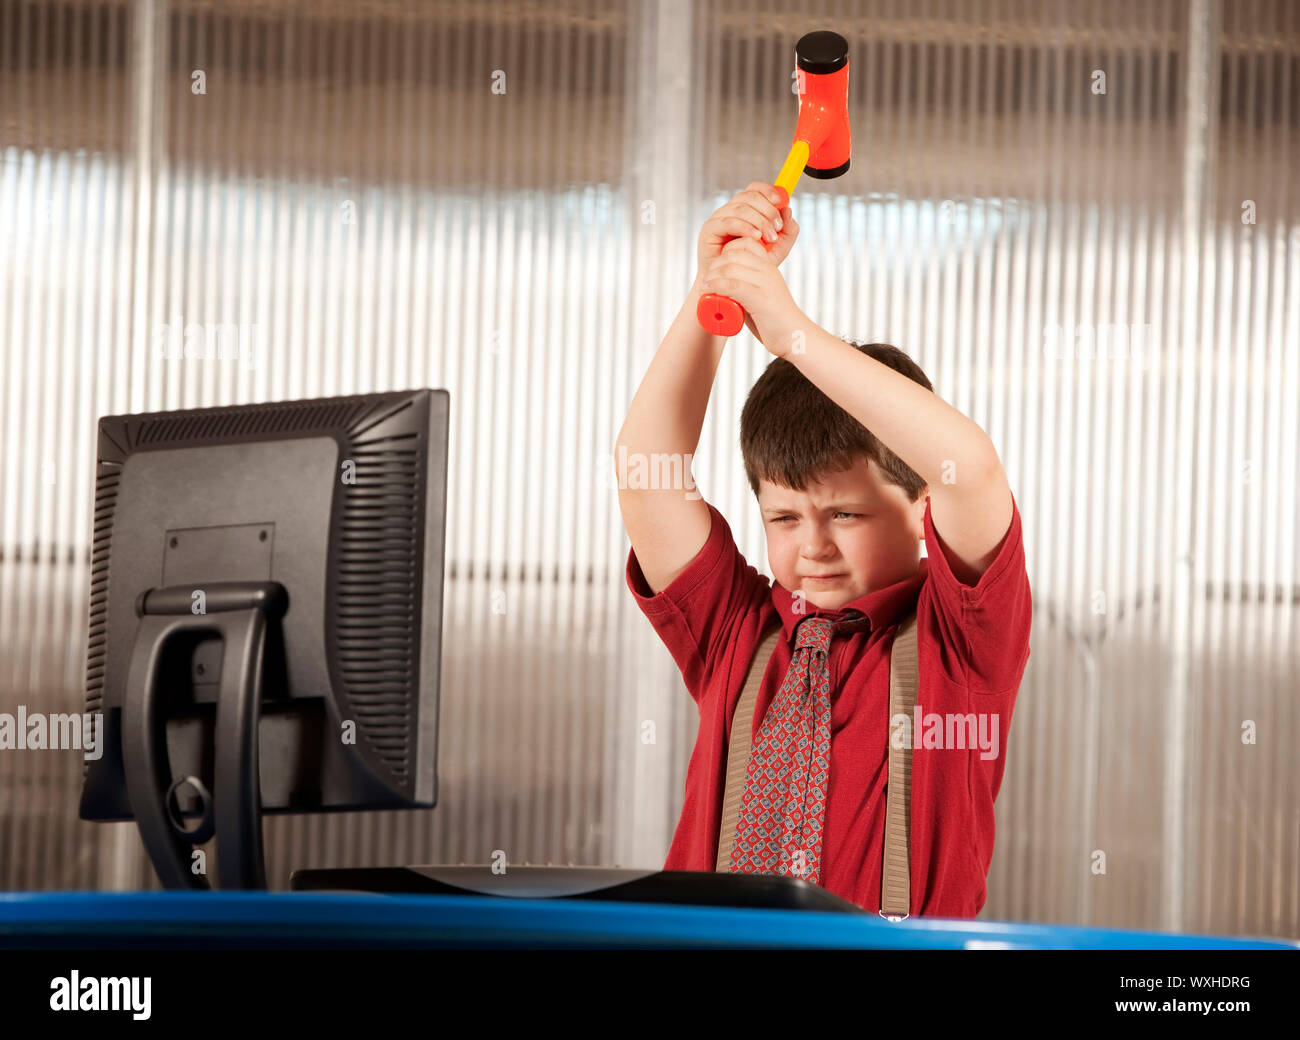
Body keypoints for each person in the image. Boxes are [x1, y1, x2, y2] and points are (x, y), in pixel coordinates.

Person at [614, 182, 1033, 916]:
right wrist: (713, 293)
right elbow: (646, 472)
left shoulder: (960, 643)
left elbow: (972, 466)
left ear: (922, 503)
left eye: (846, 513)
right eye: (782, 518)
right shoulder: (737, 634)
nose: (814, 547)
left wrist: (790, 332)